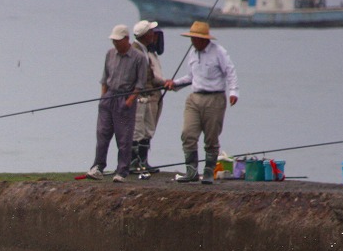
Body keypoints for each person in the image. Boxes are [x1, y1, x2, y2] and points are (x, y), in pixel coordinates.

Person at [164, 20, 239, 185]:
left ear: (204, 39)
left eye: (195, 38)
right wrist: (174, 83)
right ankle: (191, 171)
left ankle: (208, 171)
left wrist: (233, 92)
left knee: (211, 138)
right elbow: (190, 78)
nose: (193, 41)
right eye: (192, 38)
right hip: (194, 98)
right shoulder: (192, 54)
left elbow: (230, 72)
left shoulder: (219, 52)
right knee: (188, 133)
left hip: (215, 98)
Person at [85, 24, 146, 183]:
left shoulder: (139, 57)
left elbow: (140, 84)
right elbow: (104, 79)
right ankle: (98, 167)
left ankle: (122, 171)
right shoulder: (110, 54)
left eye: (118, 40)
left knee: (124, 137)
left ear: (127, 39)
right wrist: (102, 98)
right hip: (109, 97)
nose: (115, 43)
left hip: (125, 98)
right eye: (114, 41)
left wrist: (129, 102)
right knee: (102, 134)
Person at [130, 20, 167, 177]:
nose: (154, 35)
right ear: (146, 35)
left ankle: (143, 162)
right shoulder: (137, 52)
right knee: (138, 130)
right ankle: (134, 162)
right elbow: (147, 77)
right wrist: (165, 83)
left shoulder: (148, 51)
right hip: (142, 97)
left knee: (147, 130)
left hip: (151, 96)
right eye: (151, 33)